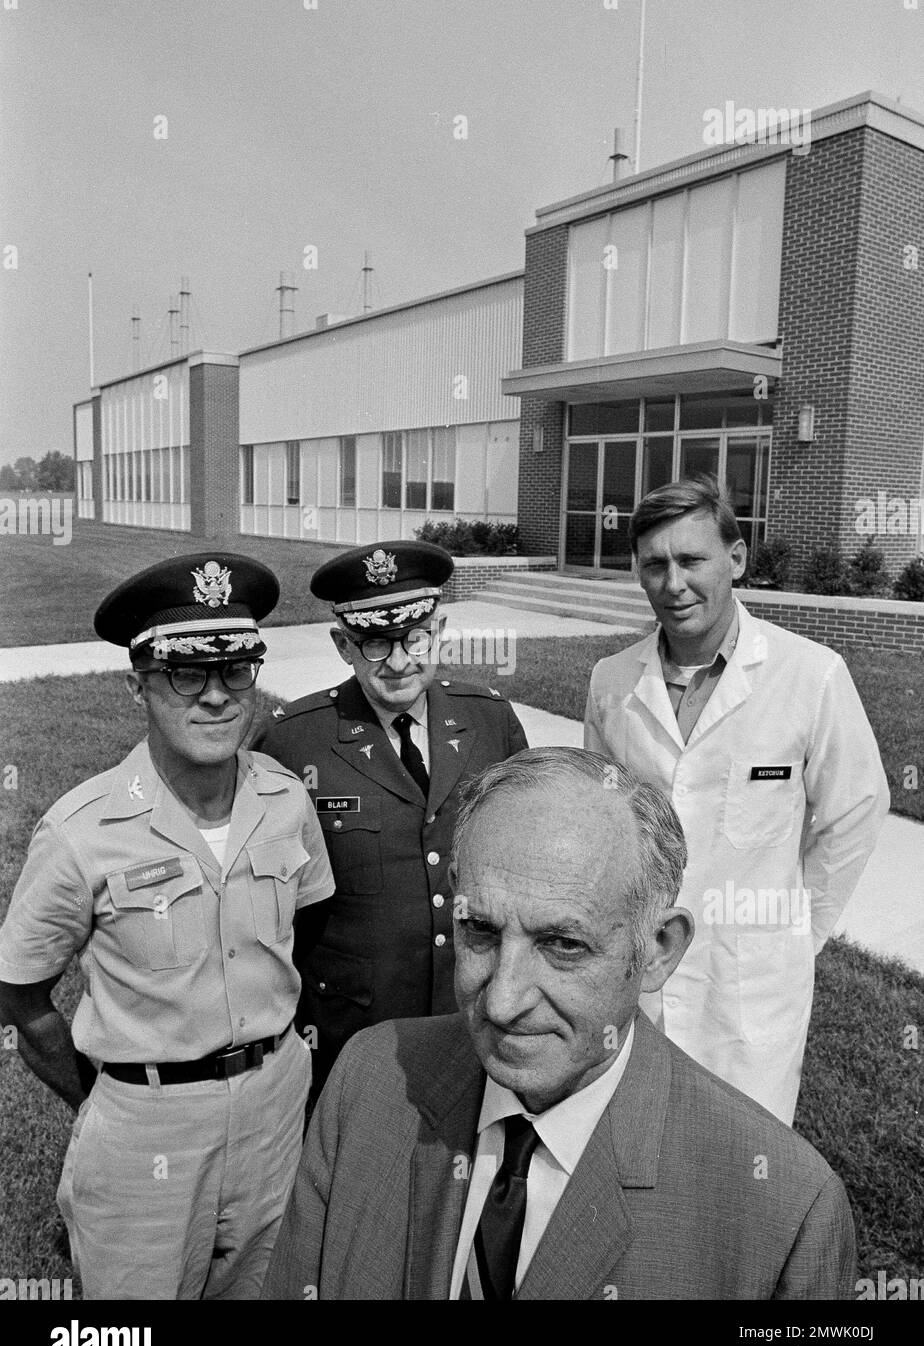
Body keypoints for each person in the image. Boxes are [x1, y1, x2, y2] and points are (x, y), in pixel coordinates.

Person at [262, 748, 857, 1301]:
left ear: (657, 950)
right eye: (482, 933)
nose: (502, 1000)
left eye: (563, 945)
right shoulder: (370, 1079)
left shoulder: (783, 1212)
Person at [0, 553, 335, 1300]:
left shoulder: (286, 801)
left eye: (237, 670)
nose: (216, 696)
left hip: (275, 1109)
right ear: (139, 686)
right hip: (145, 1130)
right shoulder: (82, 831)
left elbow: (302, 934)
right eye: (187, 674)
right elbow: (19, 997)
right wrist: (102, 1097)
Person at [584, 478, 889, 1123]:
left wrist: (795, 933)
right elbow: (602, 821)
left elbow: (854, 811)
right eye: (654, 565)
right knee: (638, 1147)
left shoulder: (809, 675)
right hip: (645, 973)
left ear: (737, 559)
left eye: (691, 560)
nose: (673, 584)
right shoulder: (612, 683)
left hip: (752, 985)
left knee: (748, 1164)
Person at [253, 540, 527, 1091]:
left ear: (440, 629)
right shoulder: (295, 740)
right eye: (375, 644)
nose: (399, 662)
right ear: (342, 645)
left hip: (473, 1015)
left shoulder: (490, 722)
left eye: (415, 637)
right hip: (350, 1029)